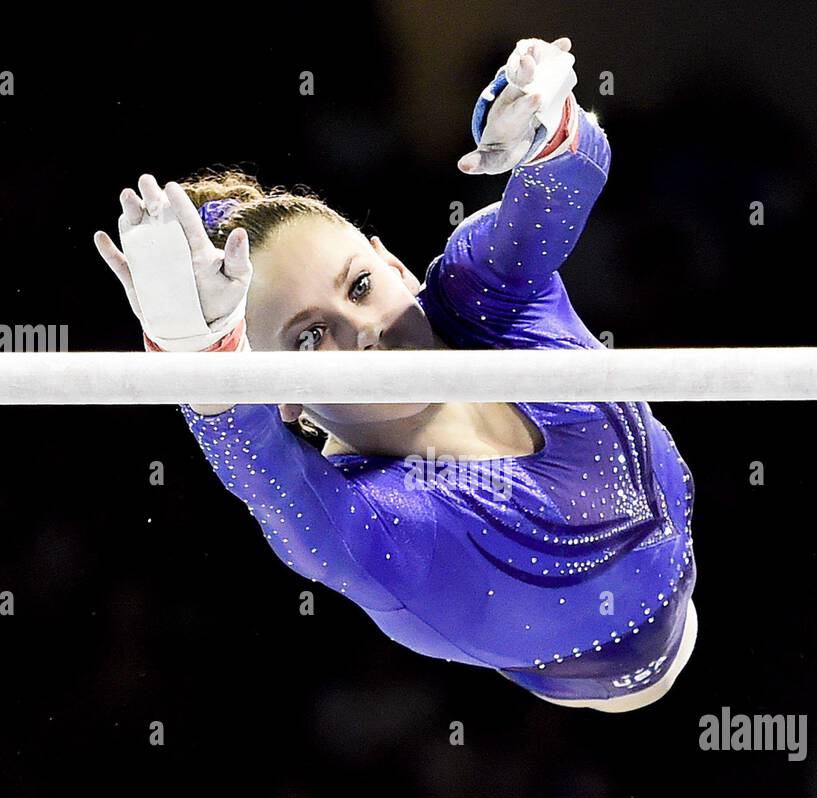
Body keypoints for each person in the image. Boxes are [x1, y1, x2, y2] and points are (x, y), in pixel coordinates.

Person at [95, 37, 697, 712]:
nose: (361, 335)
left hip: (684, 565)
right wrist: (201, 369)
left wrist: (552, 130)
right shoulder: (383, 525)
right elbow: (261, 477)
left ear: (396, 265)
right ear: (281, 399)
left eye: (357, 287)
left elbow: (558, 194)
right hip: (585, 673)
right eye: (309, 338)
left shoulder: (483, 292)